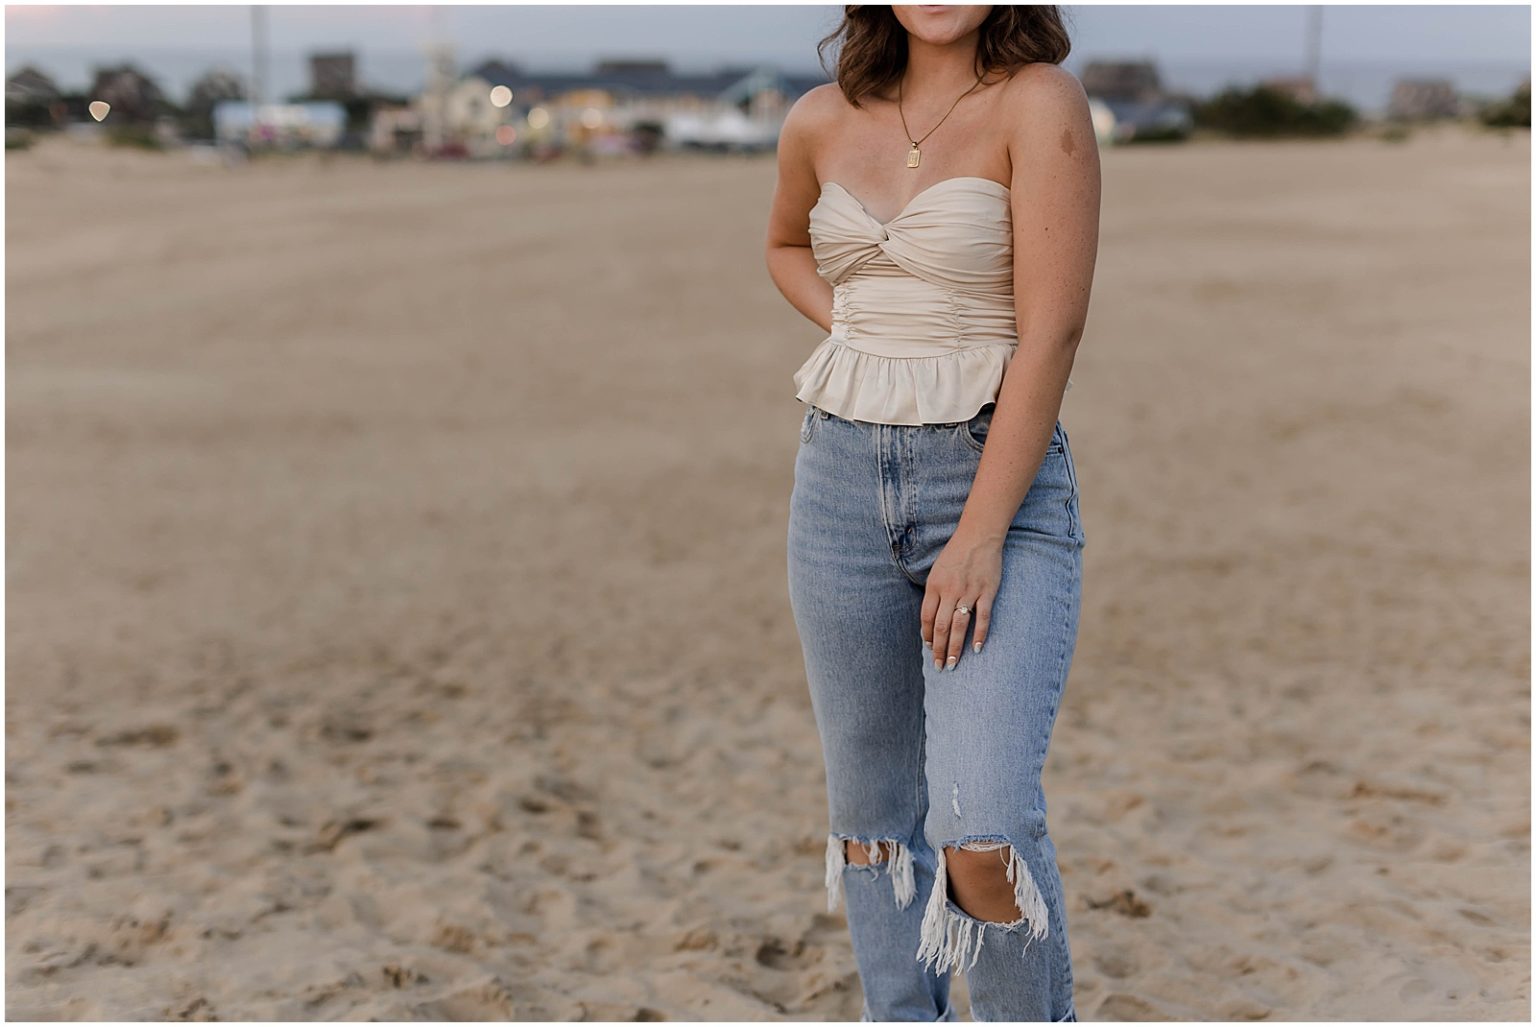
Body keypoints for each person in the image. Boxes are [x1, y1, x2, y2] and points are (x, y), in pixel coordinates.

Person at [764, 5, 1101, 1021]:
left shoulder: (1039, 102)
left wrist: (981, 532)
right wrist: (868, 326)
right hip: (838, 483)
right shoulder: (819, 118)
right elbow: (783, 244)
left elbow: (1053, 332)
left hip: (991, 479)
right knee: (871, 825)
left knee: (981, 831)